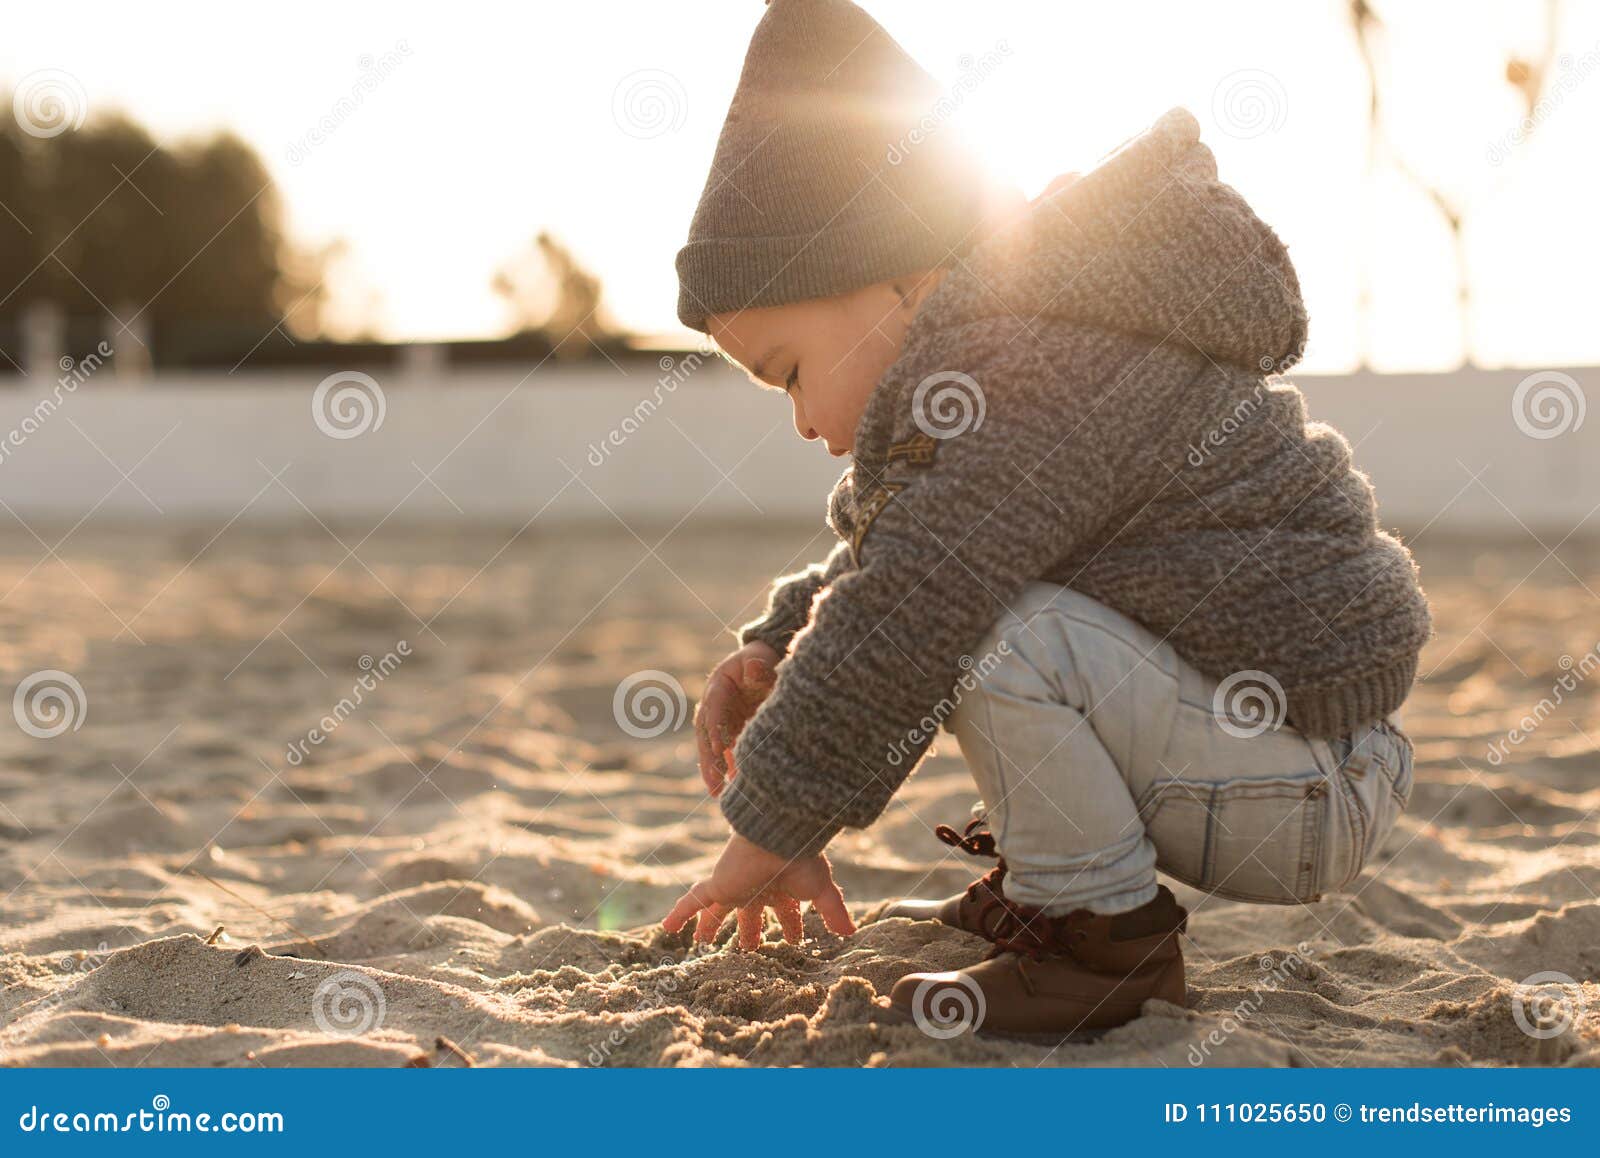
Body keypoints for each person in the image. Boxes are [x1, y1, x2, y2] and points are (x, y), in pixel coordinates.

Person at [661, 0, 1430, 1038]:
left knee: (979, 623)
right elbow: (894, 544)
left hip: (1302, 778)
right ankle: (1061, 889)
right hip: (1277, 753)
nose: (802, 422)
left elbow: (912, 592)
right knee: (985, 600)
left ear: (896, 273)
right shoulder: (1006, 359)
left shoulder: (1030, 366)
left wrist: (768, 829)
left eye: (790, 374)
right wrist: (775, 646)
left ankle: (1103, 945)